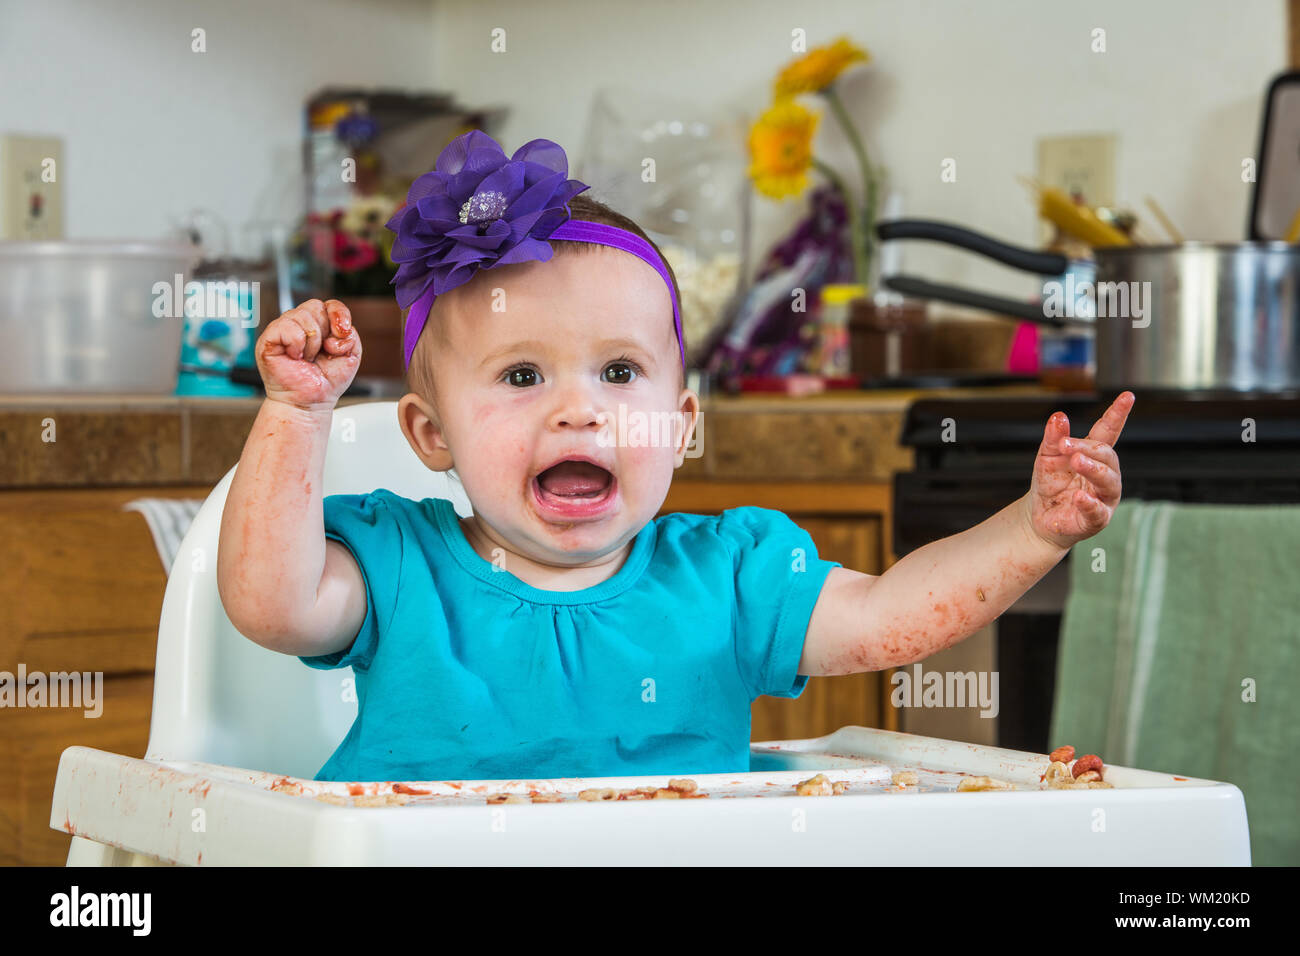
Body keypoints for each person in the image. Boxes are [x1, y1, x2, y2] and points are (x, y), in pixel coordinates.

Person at [217, 131, 1134, 782]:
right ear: (432, 436)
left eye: (620, 370)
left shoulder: (729, 579)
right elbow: (271, 602)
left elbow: (895, 614)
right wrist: (299, 414)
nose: (581, 410)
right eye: (523, 374)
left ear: (681, 423)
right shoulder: (397, 570)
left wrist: (1033, 529)